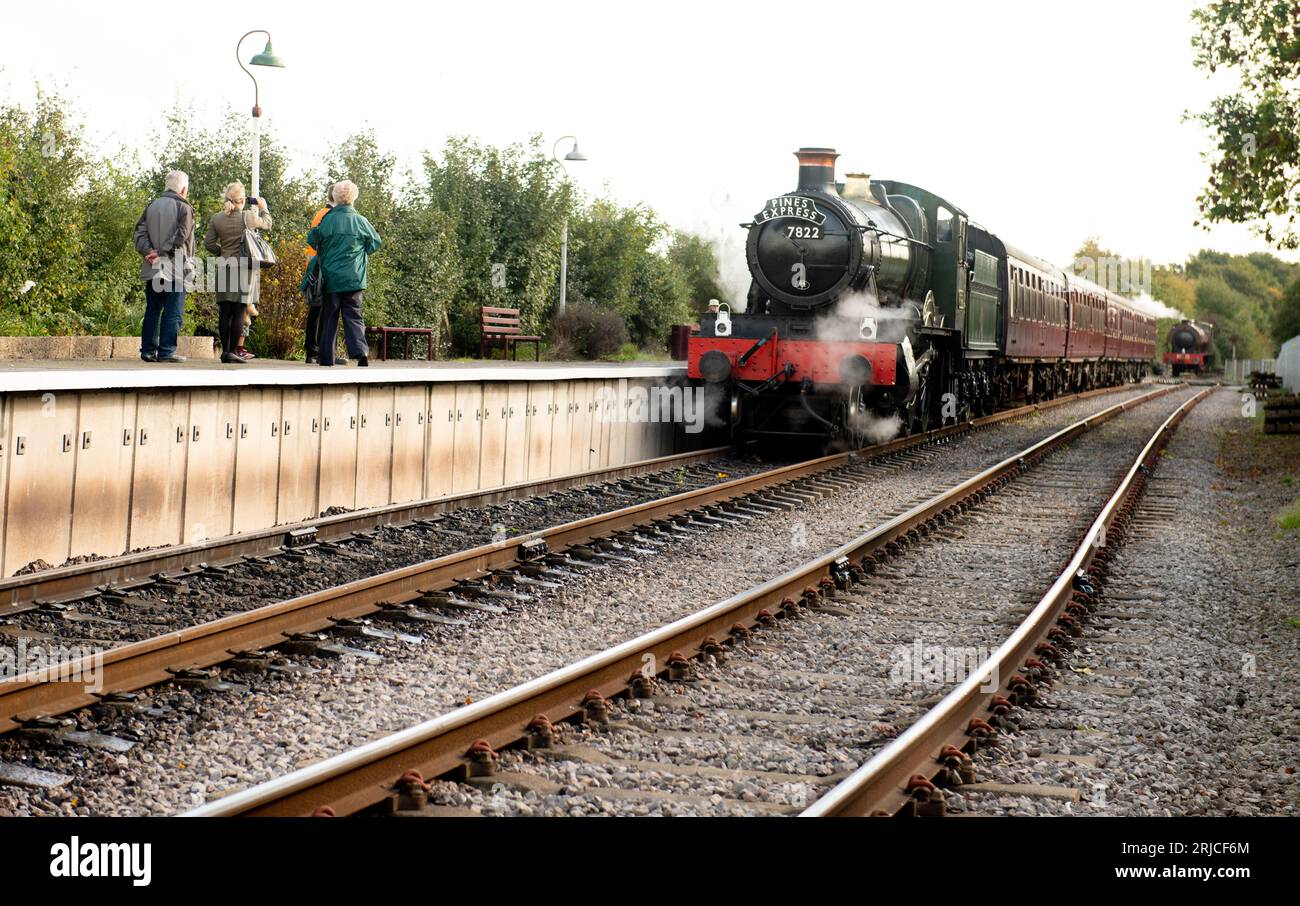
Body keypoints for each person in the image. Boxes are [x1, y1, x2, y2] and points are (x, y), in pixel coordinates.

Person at [306, 179, 381, 367]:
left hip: (331, 278)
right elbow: (375, 242)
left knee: (329, 315)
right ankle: (361, 352)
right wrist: (360, 252)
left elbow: (312, 239)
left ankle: (326, 357)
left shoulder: (327, 219)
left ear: (335, 198)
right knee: (353, 314)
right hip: (354, 278)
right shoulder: (360, 221)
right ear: (354, 198)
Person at [203, 181, 273, 364]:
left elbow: (209, 244)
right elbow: (267, 224)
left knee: (225, 311)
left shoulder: (217, 218)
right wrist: (263, 207)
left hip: (224, 267)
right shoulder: (248, 217)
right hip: (243, 268)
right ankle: (233, 351)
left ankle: (225, 351)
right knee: (239, 309)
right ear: (242, 199)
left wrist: (223, 252)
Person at [132, 170, 195, 363]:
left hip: (153, 266)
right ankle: (167, 351)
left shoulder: (152, 205)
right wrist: (162, 253)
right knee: (173, 310)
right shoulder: (184, 207)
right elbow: (181, 236)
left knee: (153, 308)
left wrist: (149, 252)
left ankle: (148, 351)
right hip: (175, 267)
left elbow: (138, 234)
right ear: (183, 189)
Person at [300, 184, 337, 364]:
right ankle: (318, 349)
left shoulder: (320, 213)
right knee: (322, 309)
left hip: (315, 264)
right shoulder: (329, 215)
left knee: (316, 308)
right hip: (323, 265)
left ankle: (313, 350)